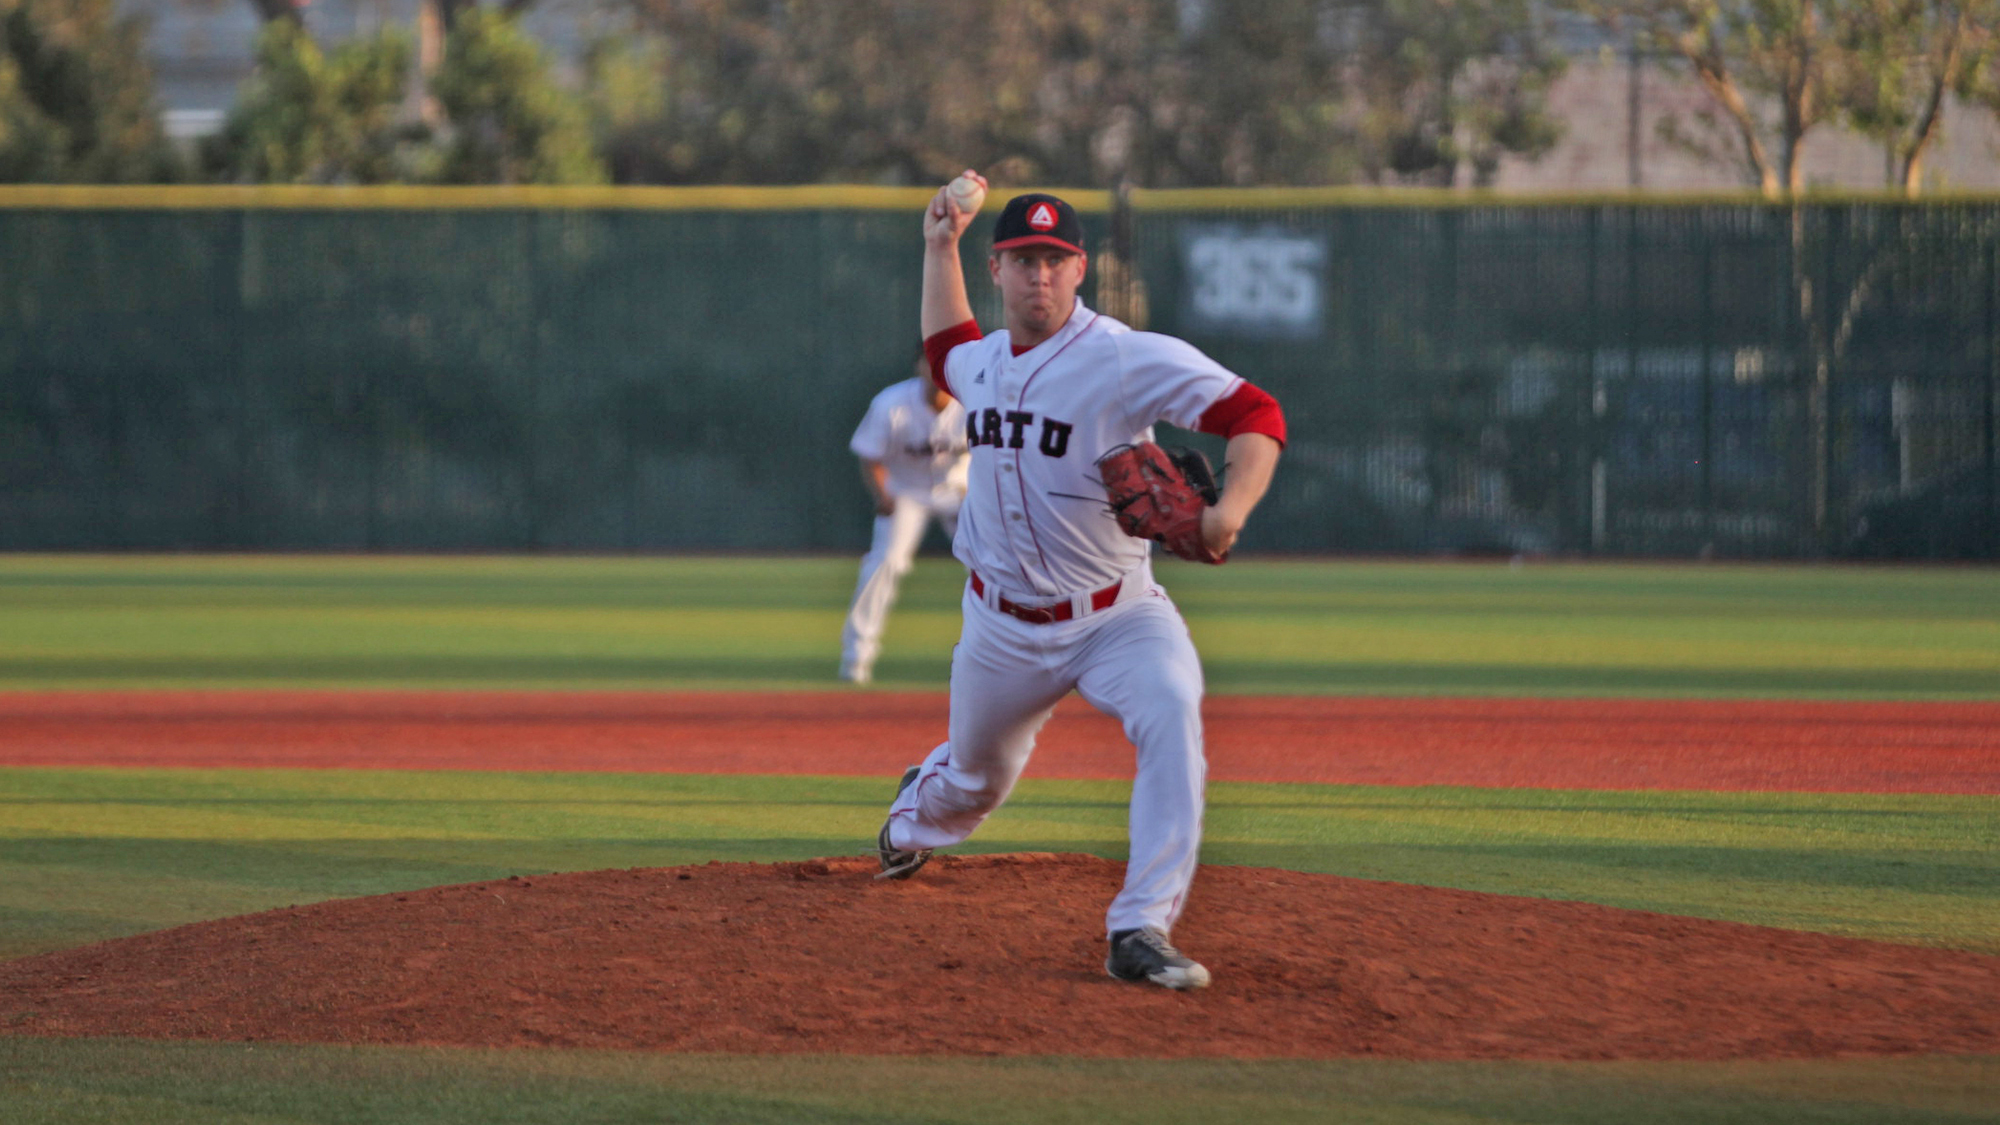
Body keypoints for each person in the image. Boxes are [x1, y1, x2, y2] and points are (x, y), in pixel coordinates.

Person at [874, 174, 1286, 991]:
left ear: (1080, 269)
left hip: (1117, 616)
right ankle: (915, 809)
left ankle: (1140, 925)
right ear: (998, 270)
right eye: (1023, 260)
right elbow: (943, 344)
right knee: (972, 786)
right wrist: (937, 244)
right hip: (1001, 628)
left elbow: (1257, 413)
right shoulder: (982, 363)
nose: (1039, 276)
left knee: (1172, 708)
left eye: (1054, 260)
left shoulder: (1125, 357)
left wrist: (1227, 513)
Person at [840, 357, 970, 684]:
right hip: (905, 491)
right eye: (932, 363)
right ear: (919, 368)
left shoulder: (974, 402)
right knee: (885, 563)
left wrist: (979, 494)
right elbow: (871, 457)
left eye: (945, 363)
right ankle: (856, 659)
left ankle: (1008, 656)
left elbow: (995, 455)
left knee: (991, 566)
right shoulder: (890, 403)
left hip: (959, 490)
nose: (938, 371)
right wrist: (883, 495)